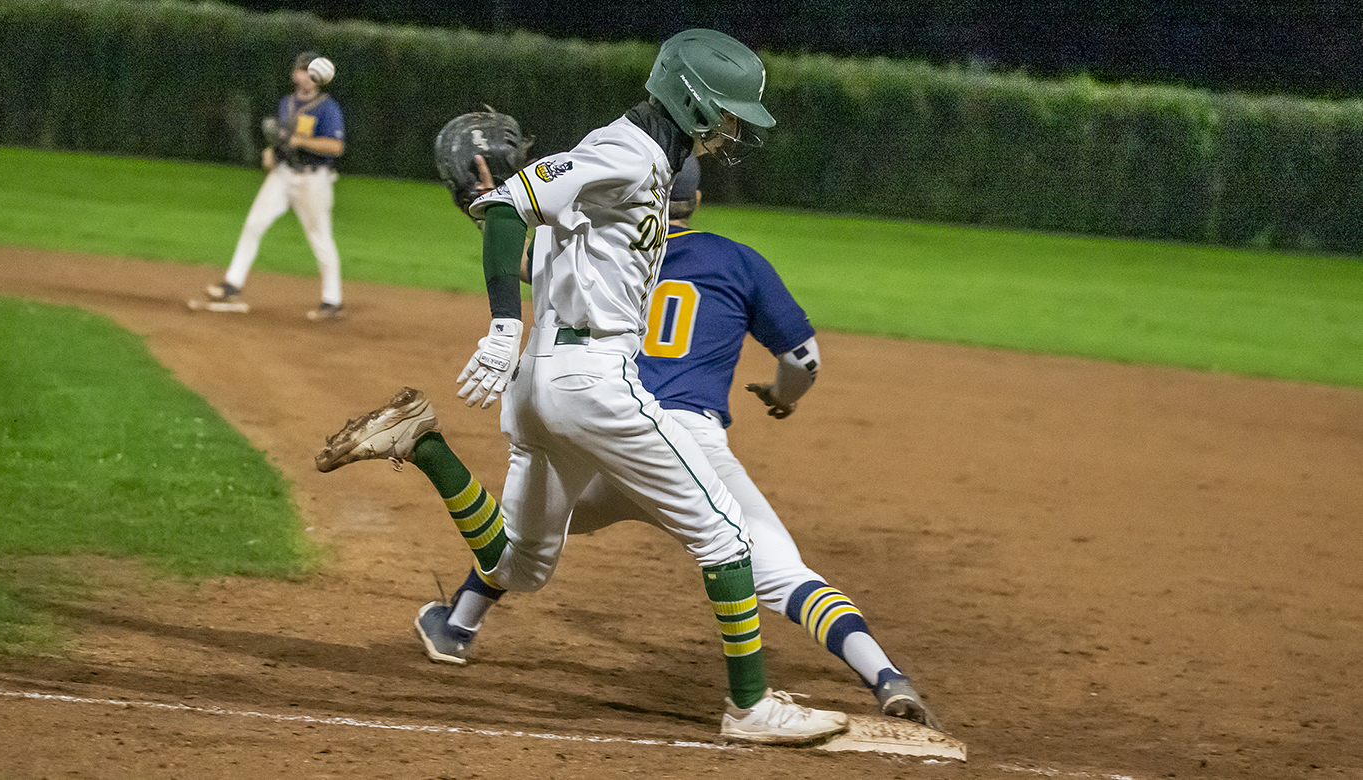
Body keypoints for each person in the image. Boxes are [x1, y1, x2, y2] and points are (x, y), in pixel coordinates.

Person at [316, 29, 850, 745]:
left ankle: (424, 444)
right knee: (725, 533)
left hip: (547, 381)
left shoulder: (644, 158)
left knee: (519, 564)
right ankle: (751, 710)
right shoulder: (624, 151)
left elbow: (548, 221)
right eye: (724, 113)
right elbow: (507, 205)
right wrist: (504, 325)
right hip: (590, 377)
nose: (730, 129)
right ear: (691, 105)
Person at [414, 156, 941, 729]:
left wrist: (487, 199)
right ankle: (885, 677)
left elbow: (519, 251)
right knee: (772, 568)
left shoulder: (602, 247)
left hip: (604, 440)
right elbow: (803, 359)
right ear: (696, 199)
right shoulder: (734, 260)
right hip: (687, 447)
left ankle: (456, 626)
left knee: (529, 533)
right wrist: (783, 395)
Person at [195, 51, 347, 321]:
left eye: (311, 71)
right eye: (302, 70)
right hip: (284, 175)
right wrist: (272, 154)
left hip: (314, 179)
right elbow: (282, 140)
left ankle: (332, 300)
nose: (306, 75)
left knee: (320, 238)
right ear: (295, 75)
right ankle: (232, 284)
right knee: (254, 223)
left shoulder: (327, 108)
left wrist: (303, 142)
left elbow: (336, 146)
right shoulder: (286, 104)